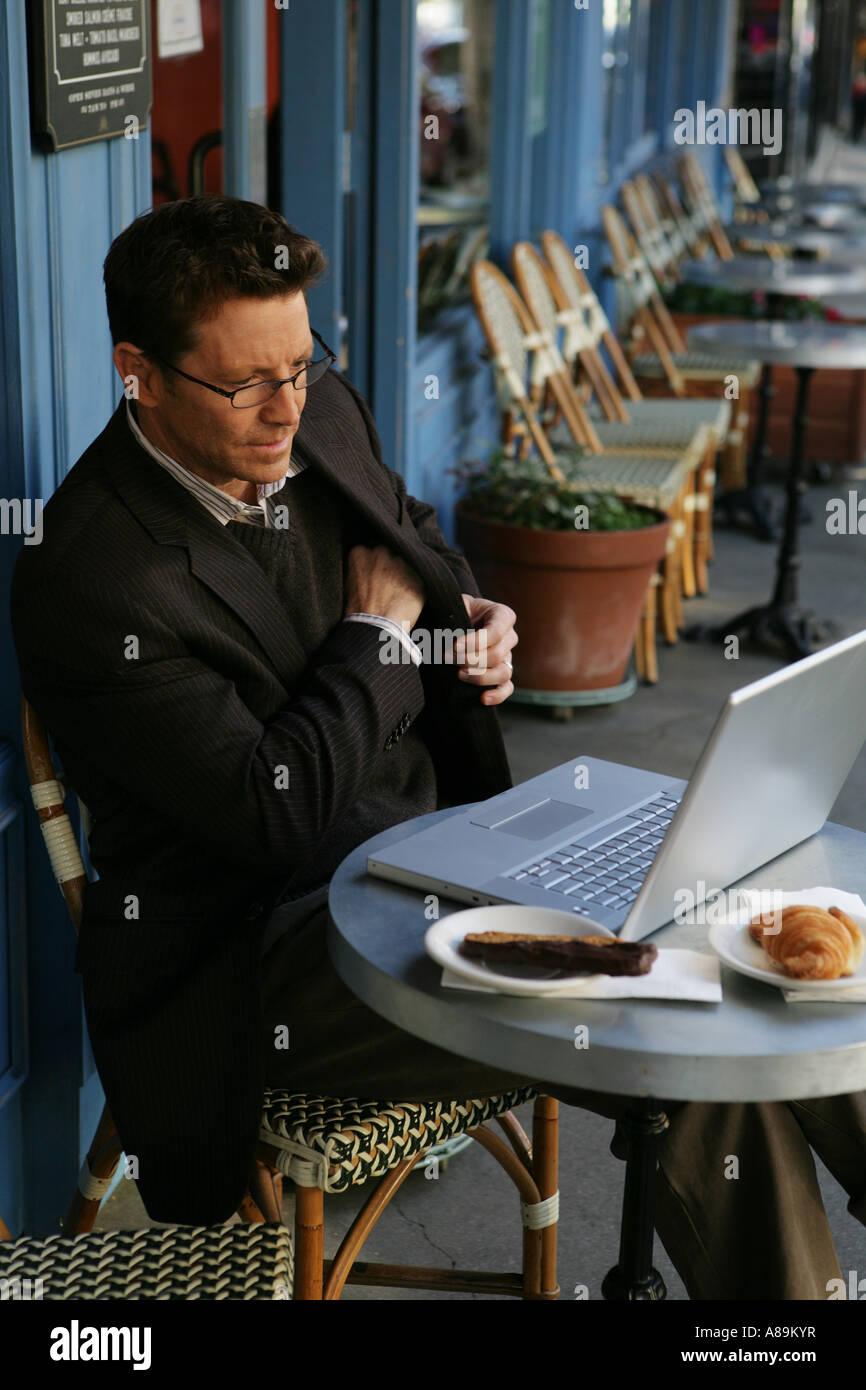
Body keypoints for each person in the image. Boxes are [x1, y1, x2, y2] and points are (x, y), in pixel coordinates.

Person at [11, 195, 866, 1300]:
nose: (286, 408)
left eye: (300, 364)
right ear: (139, 373)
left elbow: (415, 545)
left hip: (446, 851)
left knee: (763, 935)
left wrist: (469, 620)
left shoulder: (316, 411)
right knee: (686, 1038)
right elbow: (275, 810)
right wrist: (378, 636)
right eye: (246, 383)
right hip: (260, 956)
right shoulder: (91, 575)